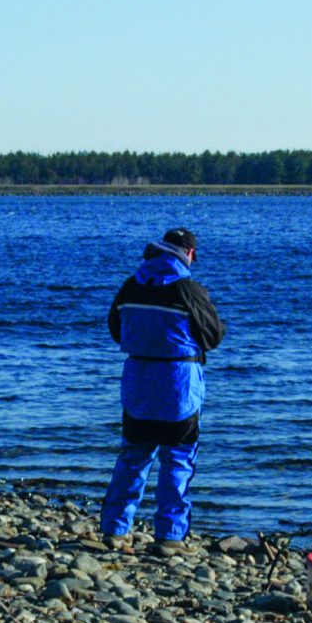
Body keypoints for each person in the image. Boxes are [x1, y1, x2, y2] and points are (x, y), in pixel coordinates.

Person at [100, 226, 224, 545]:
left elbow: (115, 329)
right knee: (177, 460)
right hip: (178, 386)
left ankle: (114, 529)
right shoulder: (189, 289)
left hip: (138, 384)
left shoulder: (131, 286)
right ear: (190, 254)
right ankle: (169, 536)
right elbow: (213, 336)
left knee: (133, 457)